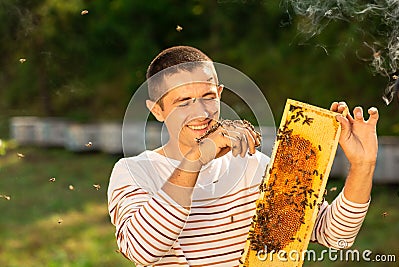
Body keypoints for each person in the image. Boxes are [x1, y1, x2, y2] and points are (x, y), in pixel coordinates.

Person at [107, 46, 379, 266]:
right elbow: (142, 250)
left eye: (208, 96)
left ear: (220, 94)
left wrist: (362, 165)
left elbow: (334, 236)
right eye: (183, 102)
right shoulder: (134, 171)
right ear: (157, 110)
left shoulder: (252, 165)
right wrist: (195, 159)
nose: (201, 111)